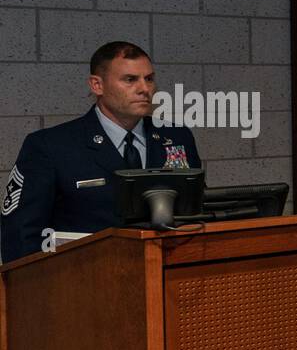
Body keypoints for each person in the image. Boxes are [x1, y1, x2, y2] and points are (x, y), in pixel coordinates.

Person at [2, 42, 203, 263]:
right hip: (85, 280)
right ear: (97, 85)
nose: (145, 88)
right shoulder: (50, 146)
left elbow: (198, 211)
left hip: (168, 274)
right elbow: (20, 234)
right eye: (130, 79)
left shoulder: (176, 137)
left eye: (149, 79)